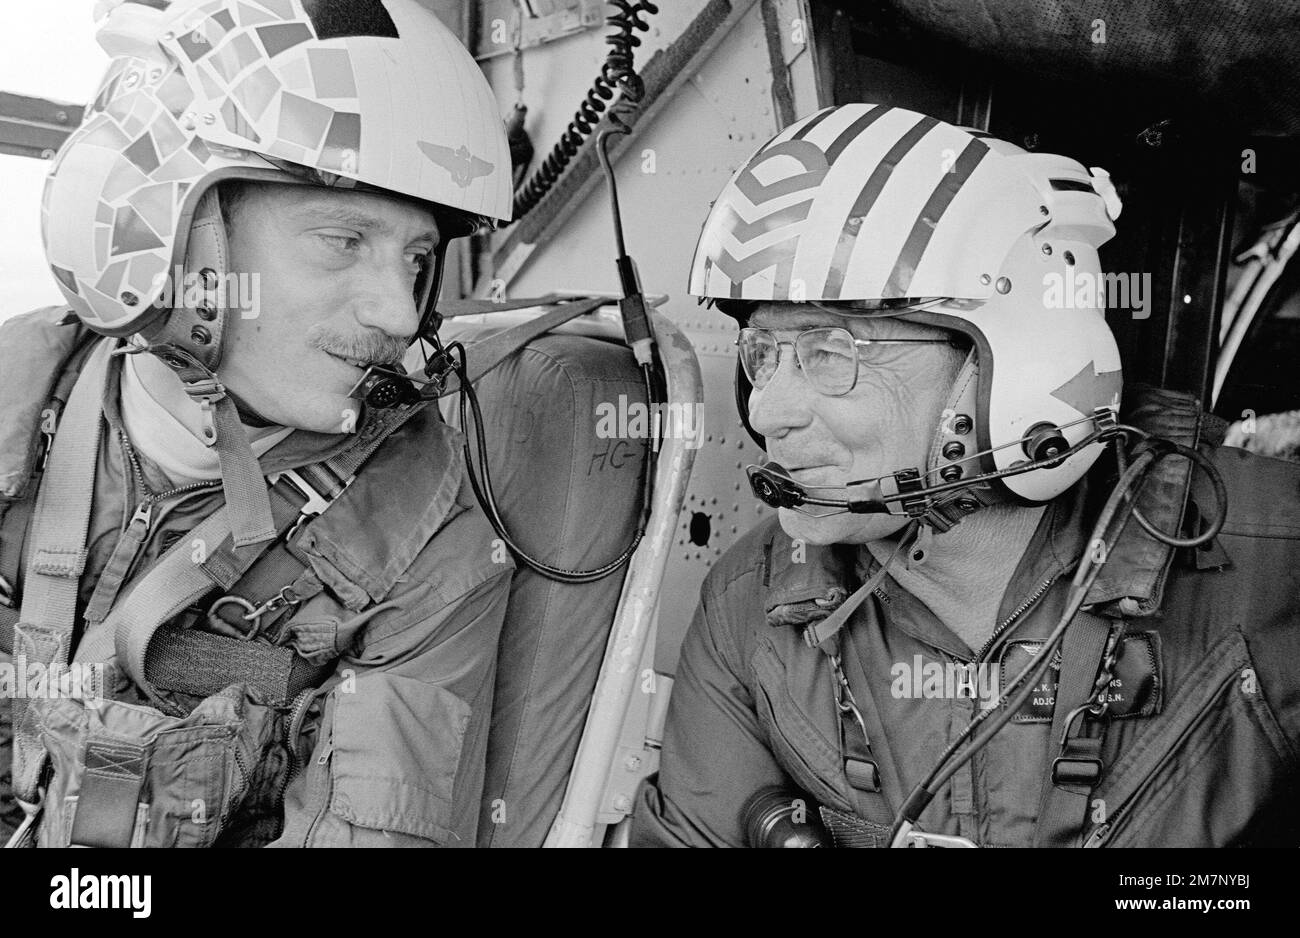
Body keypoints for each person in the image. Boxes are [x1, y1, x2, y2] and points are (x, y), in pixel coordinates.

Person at [631, 103, 1300, 847]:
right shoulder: (752, 602)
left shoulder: (1273, 560)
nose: (771, 413)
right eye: (764, 353)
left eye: (831, 353)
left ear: (1017, 364)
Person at [0, 0, 514, 847]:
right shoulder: (24, 397)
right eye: (343, 240)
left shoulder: (426, 543)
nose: (396, 311)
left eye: (417, 259)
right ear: (171, 233)